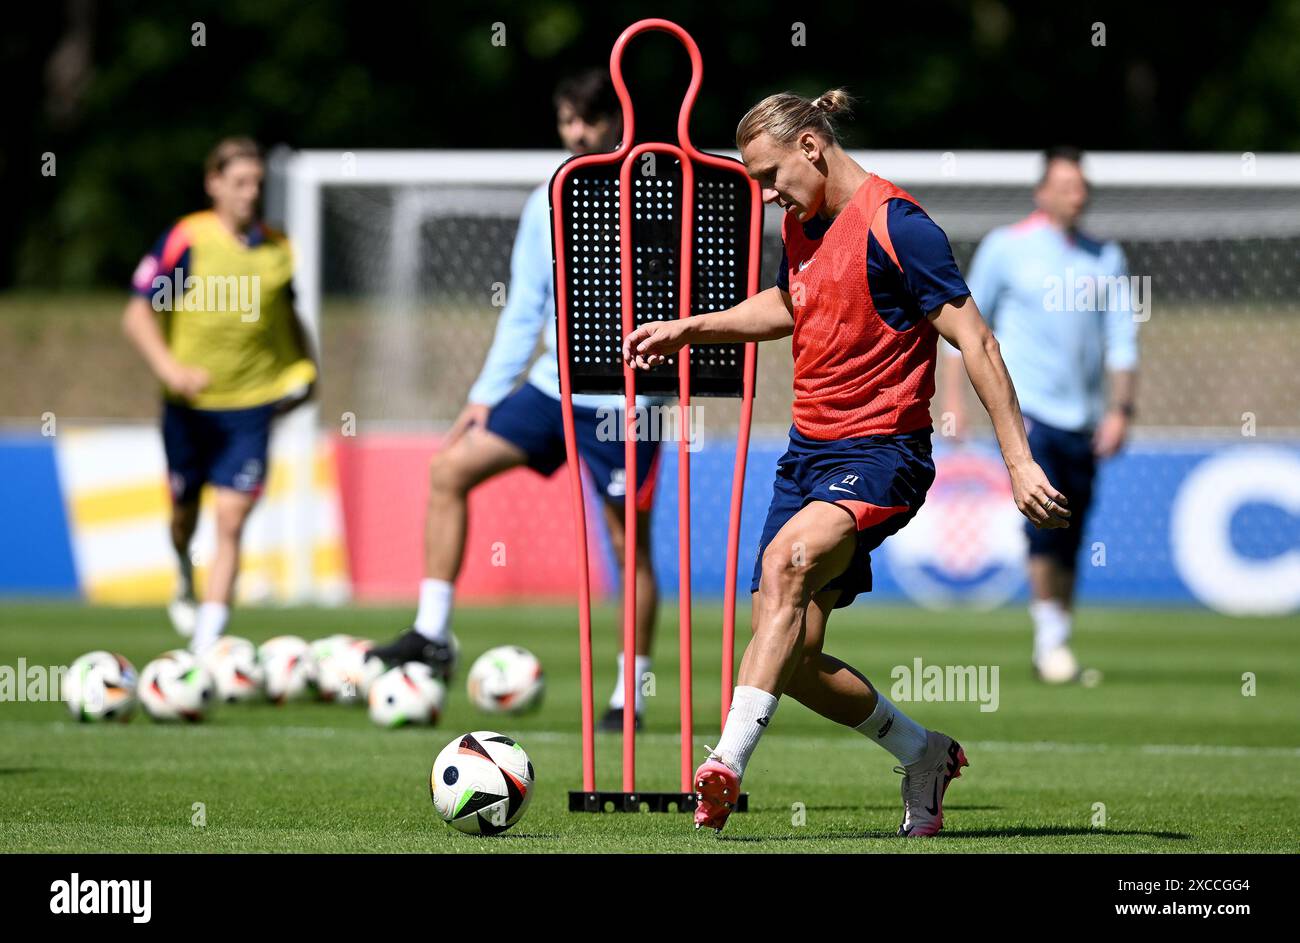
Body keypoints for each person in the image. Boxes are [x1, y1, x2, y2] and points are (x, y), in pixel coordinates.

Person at [623, 90, 1070, 835]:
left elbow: (979, 342)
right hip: (806, 455)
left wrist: (1017, 461)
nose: (767, 197)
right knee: (792, 656)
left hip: (883, 452)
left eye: (769, 176)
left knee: (789, 561)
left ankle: (724, 766)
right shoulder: (801, 223)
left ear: (810, 145)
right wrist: (693, 327)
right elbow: (792, 303)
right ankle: (923, 752)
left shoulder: (900, 224)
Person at [368, 71, 663, 732]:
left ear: (619, 121)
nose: (578, 133)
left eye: (590, 119)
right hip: (552, 389)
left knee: (627, 546)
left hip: (627, 398)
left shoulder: (654, 193)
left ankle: (630, 693)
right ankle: (432, 632)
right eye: (567, 121)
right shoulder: (547, 200)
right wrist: (484, 395)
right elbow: (526, 305)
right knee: (449, 470)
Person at [940, 146, 1139, 683]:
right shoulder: (1008, 248)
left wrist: (1121, 409)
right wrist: (955, 400)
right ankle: (1049, 641)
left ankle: (1057, 638)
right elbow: (964, 328)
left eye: (1082, 185)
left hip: (1086, 418)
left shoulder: (1106, 257)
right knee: (1043, 522)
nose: (1077, 193)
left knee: (1073, 529)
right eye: (1067, 184)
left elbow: (1122, 338)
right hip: (1030, 415)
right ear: (1043, 191)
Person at [122, 137, 317, 654]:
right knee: (184, 515)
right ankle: (184, 570)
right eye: (239, 183)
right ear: (213, 184)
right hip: (188, 408)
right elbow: (138, 311)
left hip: (252, 407)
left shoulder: (279, 249)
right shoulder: (188, 239)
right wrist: (172, 368)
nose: (251, 194)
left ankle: (204, 648)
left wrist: (307, 370)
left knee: (230, 520)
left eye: (257, 183)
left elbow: (289, 316)